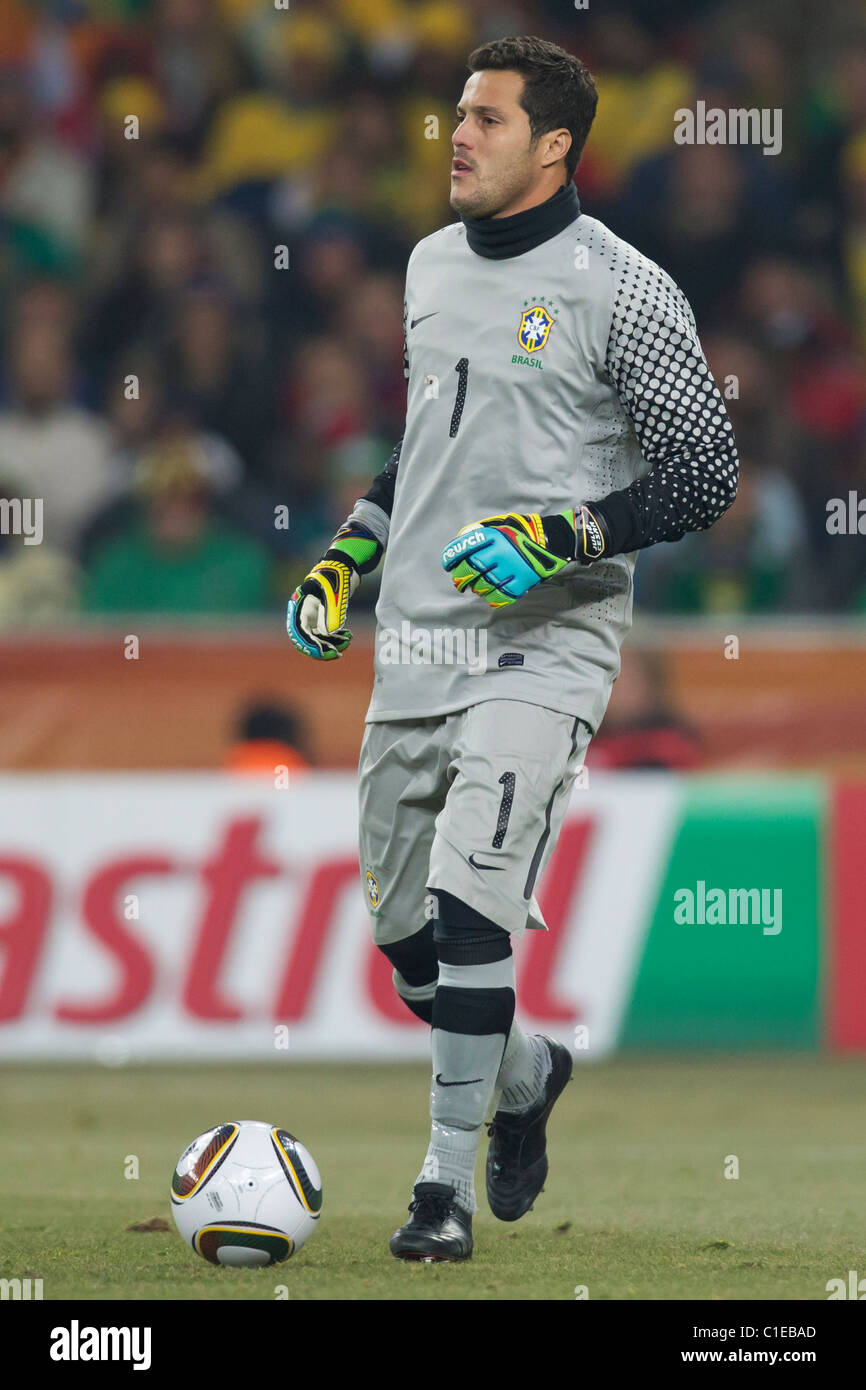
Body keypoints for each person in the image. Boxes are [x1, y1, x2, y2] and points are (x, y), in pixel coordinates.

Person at [287, 35, 738, 1263]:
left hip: (548, 638)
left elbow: (705, 471)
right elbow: (426, 443)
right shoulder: (429, 266)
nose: (458, 137)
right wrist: (345, 553)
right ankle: (527, 1071)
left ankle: (439, 1191)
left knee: (472, 896)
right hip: (416, 638)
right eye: (455, 115)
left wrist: (567, 534)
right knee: (404, 943)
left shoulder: (623, 287)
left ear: (553, 145)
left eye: (486, 118)